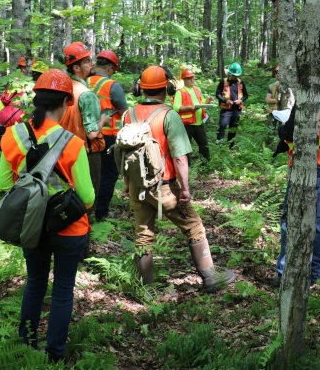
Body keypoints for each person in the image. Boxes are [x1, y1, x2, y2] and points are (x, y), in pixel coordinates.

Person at [0, 69, 94, 363]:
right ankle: (55, 355)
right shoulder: (73, 143)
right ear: (66, 103)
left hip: (31, 226)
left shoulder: (13, 134)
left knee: (35, 284)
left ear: (37, 100)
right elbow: (88, 197)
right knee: (63, 290)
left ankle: (26, 344)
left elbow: (4, 183)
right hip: (70, 229)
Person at [124, 66, 237, 292]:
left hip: (138, 187)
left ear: (141, 88)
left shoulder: (129, 114)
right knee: (194, 227)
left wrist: (128, 185)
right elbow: (180, 158)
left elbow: (125, 152)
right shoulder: (169, 115)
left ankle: (144, 288)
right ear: (168, 87)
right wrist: (184, 190)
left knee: (143, 236)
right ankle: (211, 278)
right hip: (165, 187)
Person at [273, 83, 320, 287]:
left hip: (309, 166)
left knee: (290, 219)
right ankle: (314, 273)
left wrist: (283, 125)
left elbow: (288, 133)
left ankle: (283, 273)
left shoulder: (309, 96)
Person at [59, 42, 107, 206]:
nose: (92, 63)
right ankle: (86, 229)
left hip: (61, 150)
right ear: (76, 68)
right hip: (85, 153)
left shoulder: (63, 88)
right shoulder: (86, 94)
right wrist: (103, 120)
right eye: (87, 61)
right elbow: (92, 133)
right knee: (87, 200)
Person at [87, 50, 129, 222]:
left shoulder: (83, 81)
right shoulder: (112, 85)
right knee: (108, 174)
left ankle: (86, 209)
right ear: (111, 68)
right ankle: (101, 211)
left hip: (84, 135)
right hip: (107, 137)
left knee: (88, 173)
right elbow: (124, 111)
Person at [0, 61, 50, 172]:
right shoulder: (31, 89)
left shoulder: (17, 81)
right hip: (6, 122)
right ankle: (5, 174)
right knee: (8, 149)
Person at [172, 68, 214, 162]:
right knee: (186, 147)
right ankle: (186, 166)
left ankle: (205, 164)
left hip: (199, 124)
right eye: (189, 78)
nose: (192, 80)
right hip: (187, 125)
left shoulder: (197, 90)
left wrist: (208, 100)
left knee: (204, 145)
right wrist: (191, 108)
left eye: (192, 78)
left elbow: (202, 103)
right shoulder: (180, 92)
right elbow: (176, 107)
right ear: (184, 80)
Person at [215, 62, 248, 146]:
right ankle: (219, 145)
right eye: (234, 75)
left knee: (233, 128)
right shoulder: (223, 82)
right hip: (226, 109)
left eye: (237, 75)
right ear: (230, 73)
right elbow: (217, 94)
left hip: (237, 110)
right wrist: (225, 100)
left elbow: (246, 95)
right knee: (222, 126)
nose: (235, 77)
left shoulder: (240, 83)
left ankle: (231, 146)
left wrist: (240, 100)